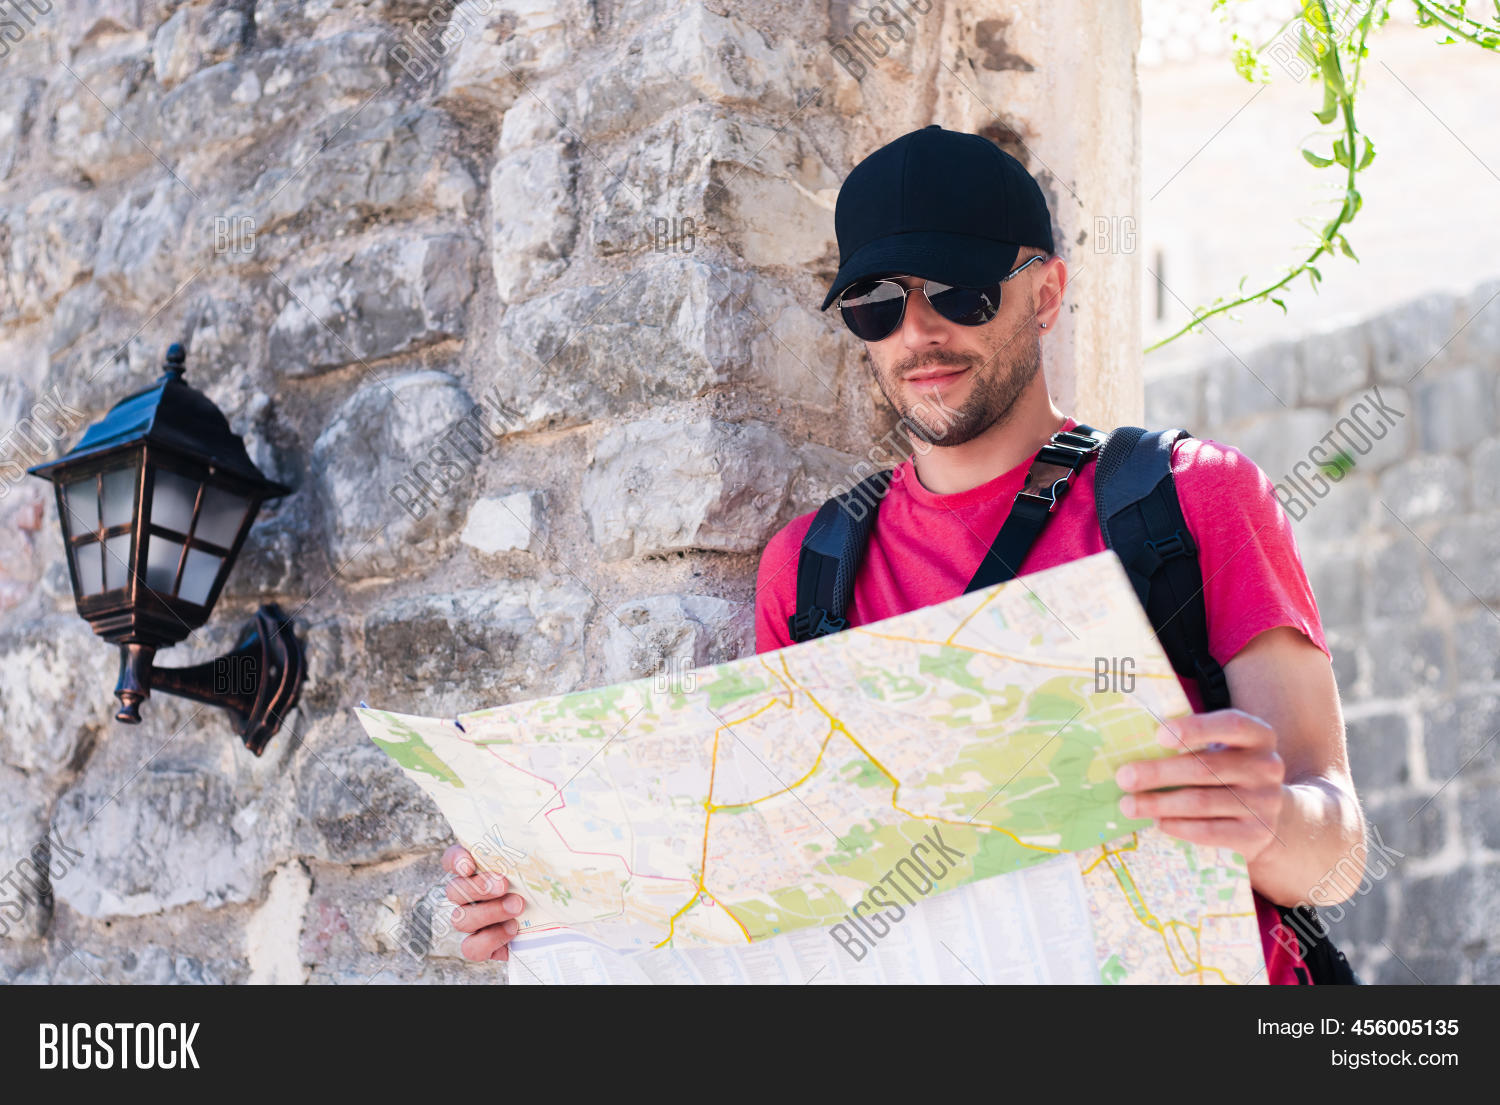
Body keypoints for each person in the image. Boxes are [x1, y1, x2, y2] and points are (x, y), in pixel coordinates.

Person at [443, 124, 1367, 982]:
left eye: (959, 291)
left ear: (1046, 293)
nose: (919, 333)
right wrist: (550, 906)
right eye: (877, 305)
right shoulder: (808, 571)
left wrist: (1271, 818)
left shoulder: (1191, 496)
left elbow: (1337, 851)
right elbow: (778, 886)